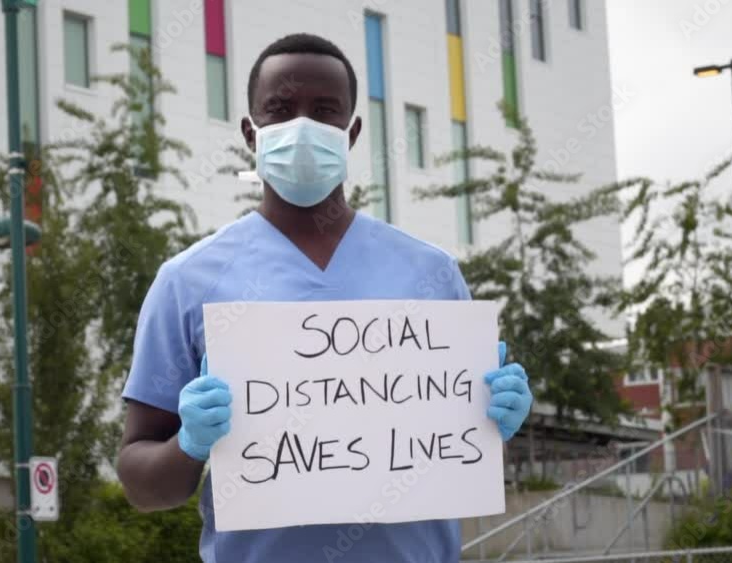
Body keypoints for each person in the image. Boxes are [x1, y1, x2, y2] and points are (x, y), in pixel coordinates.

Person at [116, 33, 533, 563]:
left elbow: (462, 464)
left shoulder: (433, 274)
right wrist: (190, 444)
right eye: (280, 109)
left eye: (324, 110)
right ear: (250, 132)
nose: (302, 126)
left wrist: (497, 423)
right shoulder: (186, 281)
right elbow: (143, 486)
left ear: (351, 132)